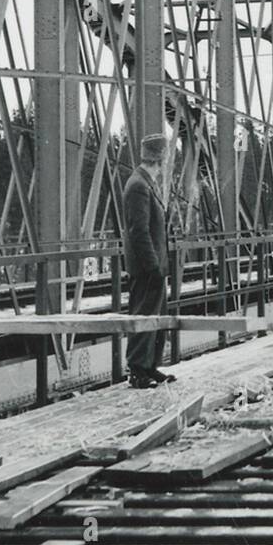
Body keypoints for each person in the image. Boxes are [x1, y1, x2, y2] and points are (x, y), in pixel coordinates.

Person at [123, 132, 171, 388]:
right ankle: (138, 371)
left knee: (155, 318)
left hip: (154, 265)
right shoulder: (138, 185)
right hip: (146, 267)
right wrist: (152, 265)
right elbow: (138, 231)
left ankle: (150, 366)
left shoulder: (145, 183)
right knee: (144, 316)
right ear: (160, 158)